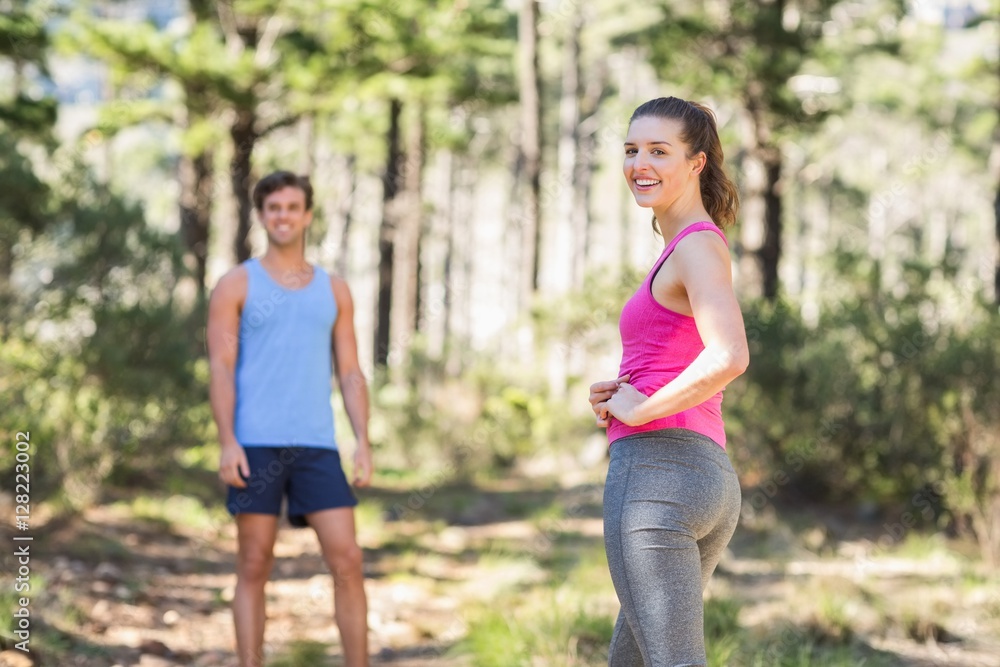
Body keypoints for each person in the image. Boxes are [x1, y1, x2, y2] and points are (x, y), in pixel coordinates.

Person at [588, 97, 748, 666]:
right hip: (706, 482)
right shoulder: (690, 247)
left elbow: (730, 355)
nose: (640, 163)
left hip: (658, 477)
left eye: (659, 151)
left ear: (697, 163)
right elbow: (682, 355)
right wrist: (621, 394)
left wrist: (643, 408)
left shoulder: (696, 246)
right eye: (631, 150)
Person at [207, 171, 373, 667]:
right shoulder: (235, 284)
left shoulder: (335, 289)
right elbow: (221, 365)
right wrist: (227, 441)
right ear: (261, 215)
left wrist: (362, 439)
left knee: (347, 558)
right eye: (273, 207)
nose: (282, 215)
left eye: (292, 207)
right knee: (254, 562)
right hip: (255, 442)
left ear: (307, 215)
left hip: (317, 445)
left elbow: (350, 372)